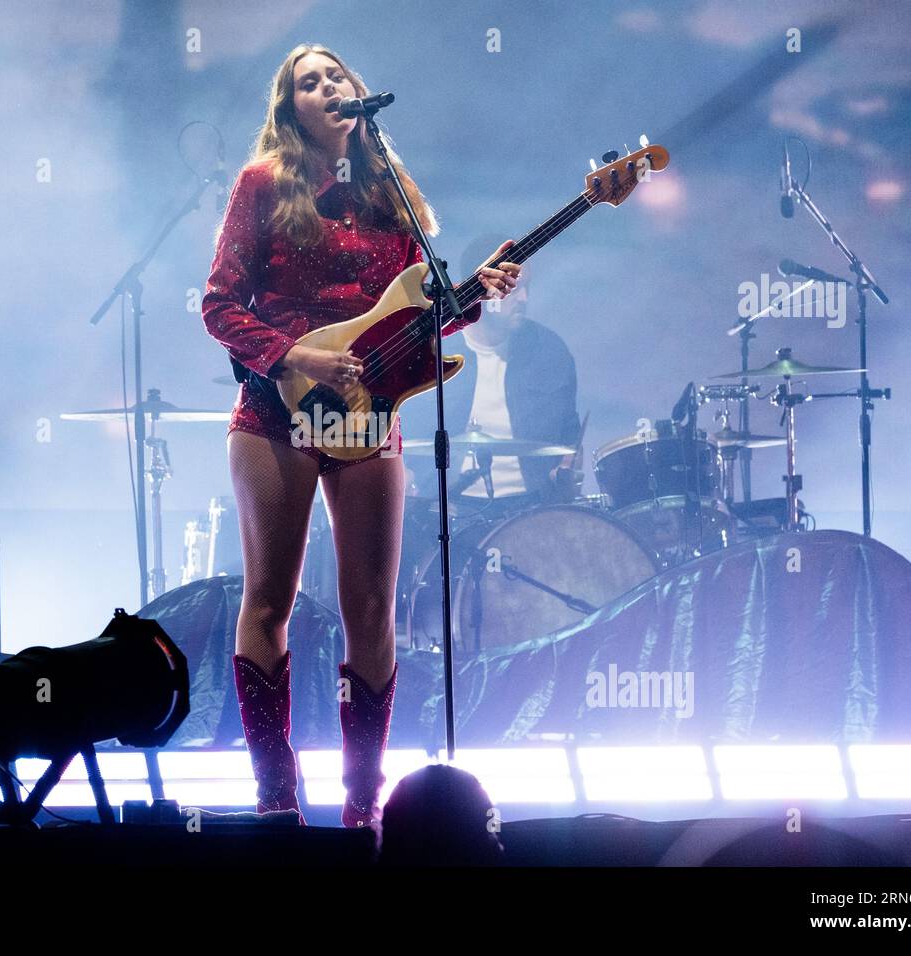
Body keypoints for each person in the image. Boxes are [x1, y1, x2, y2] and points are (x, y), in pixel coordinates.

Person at [201, 43, 520, 829]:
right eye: (307, 83)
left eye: (334, 75)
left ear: (358, 92)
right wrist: (294, 353)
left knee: (371, 608)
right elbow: (218, 304)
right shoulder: (262, 186)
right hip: (276, 411)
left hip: (371, 415)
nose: (325, 87)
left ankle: (361, 806)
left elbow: (420, 317)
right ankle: (276, 798)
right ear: (291, 110)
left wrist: (479, 293)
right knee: (269, 599)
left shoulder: (391, 194)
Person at [404, 235, 582, 505]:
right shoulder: (434, 350)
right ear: (482, 286)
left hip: (532, 503)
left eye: (527, 288)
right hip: (446, 503)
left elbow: (569, 432)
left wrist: (568, 465)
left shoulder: (549, 351)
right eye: (514, 287)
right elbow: (400, 421)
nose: (522, 298)